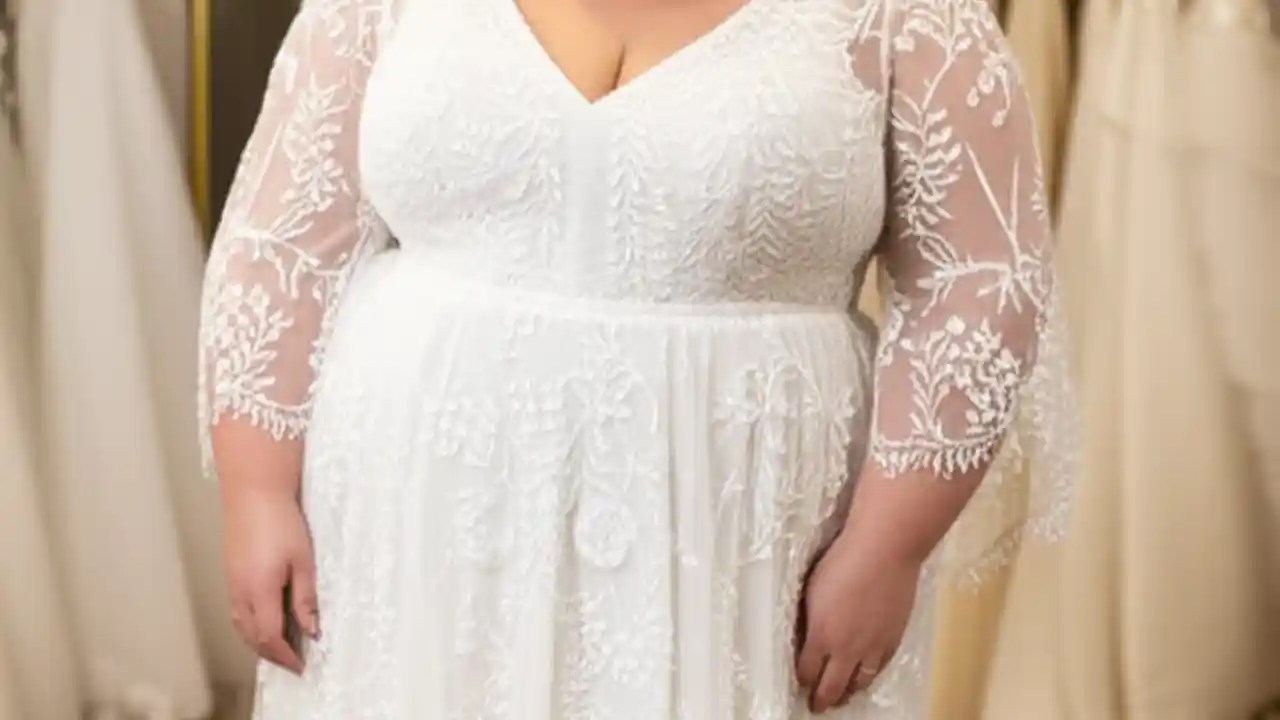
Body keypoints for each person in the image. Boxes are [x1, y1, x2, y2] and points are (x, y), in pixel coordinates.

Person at [198, 0, 1075, 717]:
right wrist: (257, 490)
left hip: (741, 553)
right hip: (414, 533)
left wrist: (889, 546)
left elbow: (979, 284)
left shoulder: (904, 14)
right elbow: (283, 243)